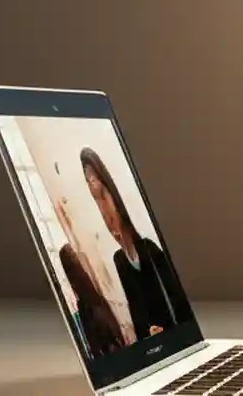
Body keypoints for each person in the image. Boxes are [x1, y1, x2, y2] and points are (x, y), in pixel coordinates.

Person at [80, 146, 194, 336]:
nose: (108, 220)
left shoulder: (151, 250)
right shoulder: (120, 260)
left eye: (108, 207)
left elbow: (179, 301)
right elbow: (136, 310)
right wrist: (148, 329)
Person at [58, 243, 128, 357]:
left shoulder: (92, 297)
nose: (78, 255)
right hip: (94, 310)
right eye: (73, 255)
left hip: (95, 306)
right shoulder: (87, 304)